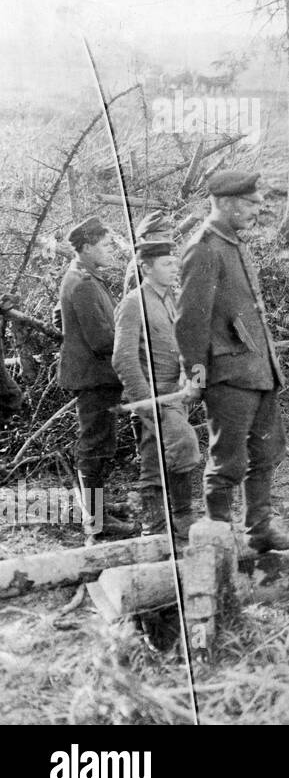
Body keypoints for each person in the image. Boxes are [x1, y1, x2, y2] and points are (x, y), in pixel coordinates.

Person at [175, 171, 289, 552]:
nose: (258, 210)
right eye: (251, 204)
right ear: (229, 203)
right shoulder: (205, 247)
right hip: (229, 375)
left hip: (258, 370)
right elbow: (190, 321)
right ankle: (218, 537)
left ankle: (260, 529)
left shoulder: (232, 243)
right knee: (228, 461)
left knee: (267, 453)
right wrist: (195, 377)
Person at [112, 240, 201, 541]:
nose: (174, 268)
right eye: (166, 264)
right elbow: (122, 357)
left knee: (156, 458)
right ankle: (179, 517)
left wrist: (193, 381)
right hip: (153, 395)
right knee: (183, 444)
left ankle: (160, 527)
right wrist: (144, 400)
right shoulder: (133, 302)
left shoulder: (171, 299)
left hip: (176, 394)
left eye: (175, 262)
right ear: (145, 268)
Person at [58, 216, 133, 541]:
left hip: (95, 375)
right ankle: (97, 520)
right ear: (86, 248)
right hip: (95, 376)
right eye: (104, 246)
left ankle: (98, 508)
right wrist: (133, 341)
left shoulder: (82, 276)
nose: (109, 252)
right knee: (95, 444)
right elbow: (101, 340)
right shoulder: (84, 283)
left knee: (100, 441)